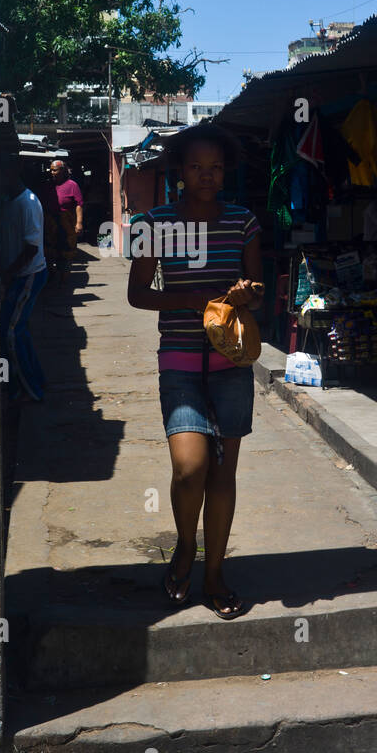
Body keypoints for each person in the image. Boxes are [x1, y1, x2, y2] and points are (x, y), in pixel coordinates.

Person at [127, 124, 263, 619]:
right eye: (196, 167)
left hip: (232, 359)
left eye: (216, 168)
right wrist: (196, 300)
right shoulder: (153, 224)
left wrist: (247, 293)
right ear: (179, 171)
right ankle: (187, 547)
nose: (207, 176)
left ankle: (215, 574)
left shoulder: (243, 221)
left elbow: (256, 285)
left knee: (223, 472)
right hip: (180, 360)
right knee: (190, 468)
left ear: (225, 171)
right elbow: (138, 294)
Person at [0, 159, 48, 400]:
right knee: (18, 331)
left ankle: (29, 390)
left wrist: (8, 275)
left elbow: (31, 249)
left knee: (11, 334)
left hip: (27, 274)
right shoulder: (10, 201)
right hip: (19, 275)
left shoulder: (27, 203)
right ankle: (34, 383)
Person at [49, 159, 84, 283]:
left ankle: (64, 279)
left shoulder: (72, 185)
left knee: (66, 250)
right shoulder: (49, 185)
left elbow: (79, 204)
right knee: (51, 249)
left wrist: (79, 223)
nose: (52, 172)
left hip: (67, 221)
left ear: (62, 171)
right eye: (51, 170)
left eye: (55, 170)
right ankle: (53, 277)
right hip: (51, 221)